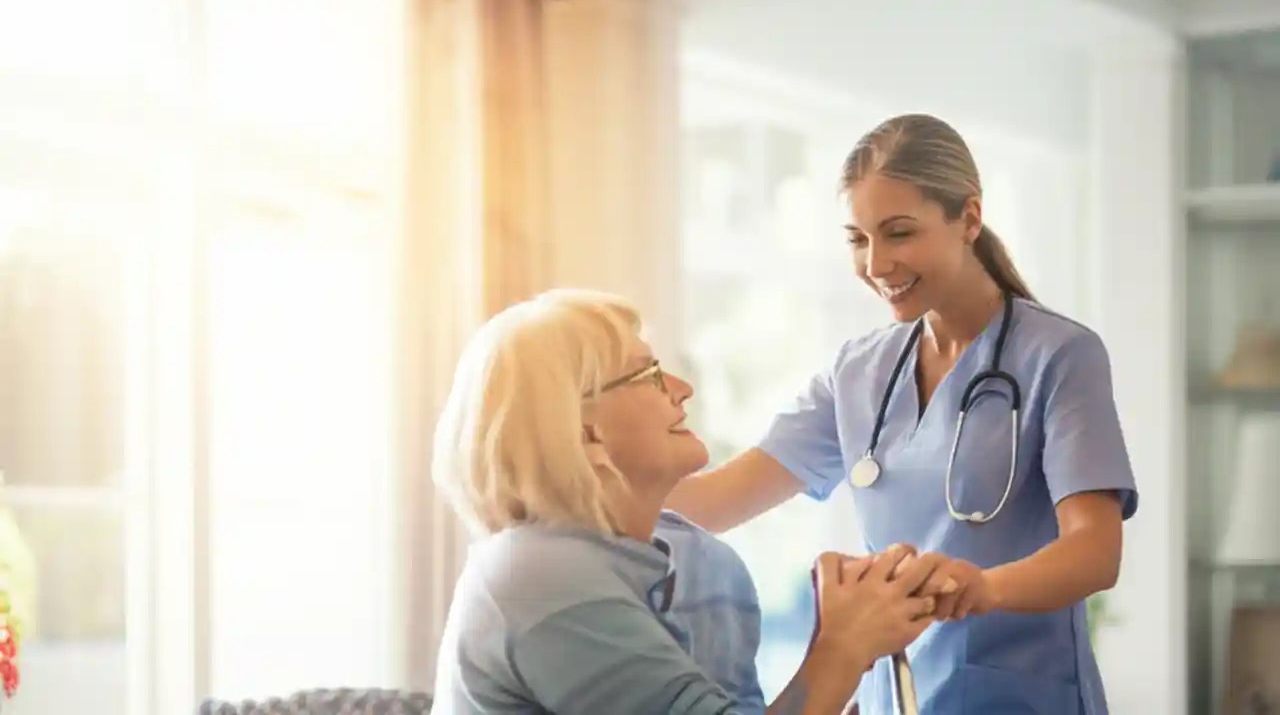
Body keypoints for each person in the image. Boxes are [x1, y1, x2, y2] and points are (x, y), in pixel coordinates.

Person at [666, 113, 1139, 715]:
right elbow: (713, 502)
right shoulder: (859, 372)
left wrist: (985, 587)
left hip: (1020, 696)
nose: (875, 264)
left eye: (899, 233)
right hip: (895, 696)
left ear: (969, 218)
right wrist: (576, 486)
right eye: (858, 239)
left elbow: (1095, 552)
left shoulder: (1060, 356)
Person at [430, 288, 952, 714]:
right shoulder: (537, 576)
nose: (681, 389)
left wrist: (854, 635)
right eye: (647, 375)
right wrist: (844, 646)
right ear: (583, 432)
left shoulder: (701, 563)